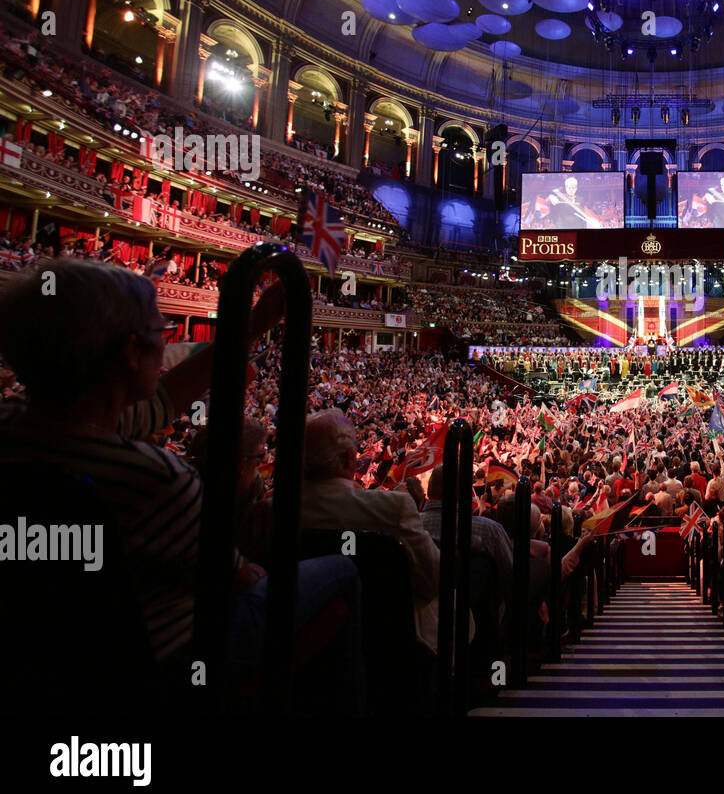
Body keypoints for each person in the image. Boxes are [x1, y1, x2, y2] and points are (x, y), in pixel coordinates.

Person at [0, 260, 364, 711]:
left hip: (49, 666)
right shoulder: (156, 479)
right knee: (343, 570)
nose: (169, 343)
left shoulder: (20, 424)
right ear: (132, 352)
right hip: (173, 660)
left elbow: (167, 398)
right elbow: (240, 577)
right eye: (162, 332)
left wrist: (253, 326)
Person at [301, 409, 442, 653]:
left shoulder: (265, 515)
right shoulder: (392, 509)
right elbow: (433, 581)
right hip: (385, 646)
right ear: (349, 458)